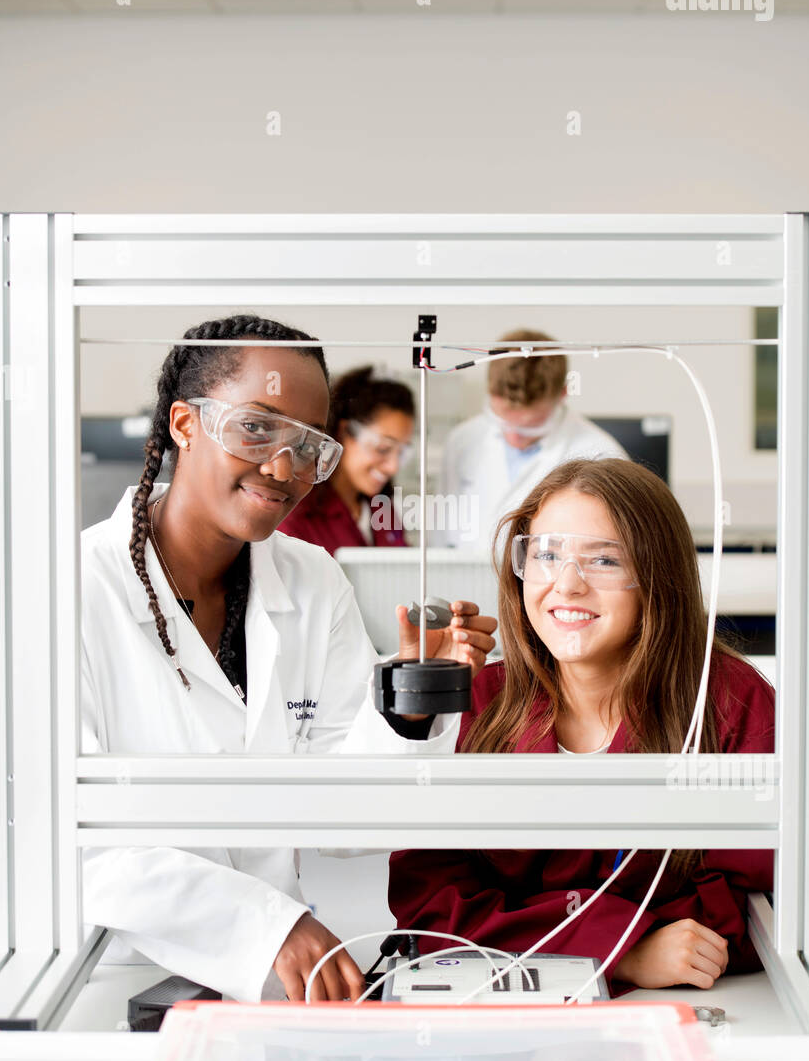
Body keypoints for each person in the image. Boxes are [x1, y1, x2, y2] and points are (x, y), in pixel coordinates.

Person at [80, 316, 496, 1004]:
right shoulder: (74, 589)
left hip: (285, 982)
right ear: (185, 423)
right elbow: (75, 846)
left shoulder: (312, 580)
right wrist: (269, 928)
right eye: (257, 427)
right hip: (111, 976)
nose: (284, 467)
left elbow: (342, 818)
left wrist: (408, 707)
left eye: (308, 444)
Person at [389, 457, 775, 995]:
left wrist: (533, 926)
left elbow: (756, 896)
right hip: (498, 1006)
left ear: (658, 576)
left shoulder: (731, 702)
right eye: (545, 555)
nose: (566, 585)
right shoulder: (479, 698)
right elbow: (431, 897)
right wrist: (620, 947)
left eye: (603, 560)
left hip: (681, 1012)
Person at [437, 329, 628, 548]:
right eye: (502, 421)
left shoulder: (601, 453)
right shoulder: (462, 440)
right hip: (462, 579)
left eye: (531, 427)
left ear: (563, 394)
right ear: (490, 393)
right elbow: (440, 541)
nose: (514, 436)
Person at [278, 365, 413, 555]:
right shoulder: (297, 517)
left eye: (401, 453)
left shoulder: (383, 509)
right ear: (344, 433)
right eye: (383, 449)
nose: (393, 467)